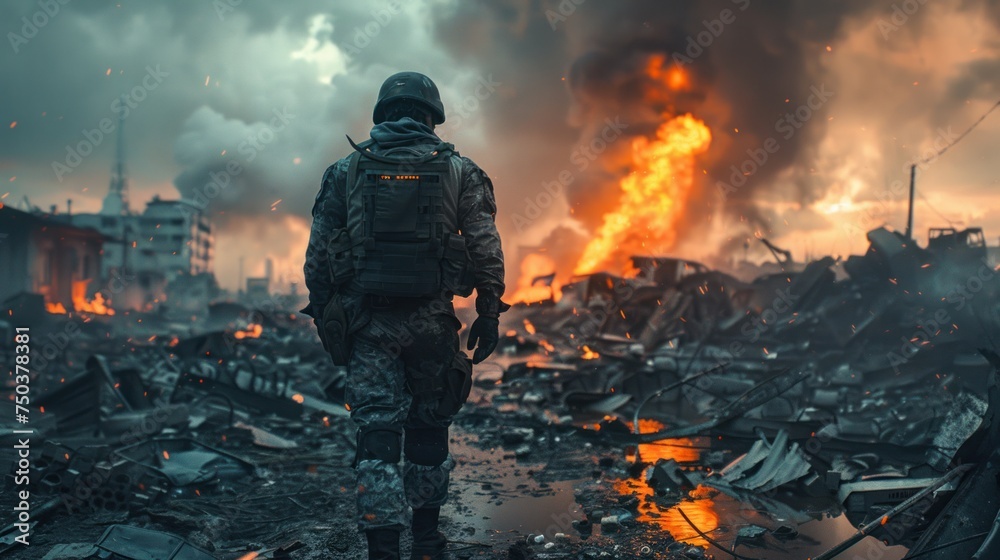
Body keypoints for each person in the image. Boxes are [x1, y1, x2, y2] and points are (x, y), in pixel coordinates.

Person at [303, 71, 507, 560]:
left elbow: (316, 258)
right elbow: (485, 247)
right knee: (428, 427)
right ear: (432, 117)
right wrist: (489, 311)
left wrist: (325, 315)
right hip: (433, 325)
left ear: (382, 115)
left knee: (377, 434)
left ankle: (383, 548)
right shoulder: (461, 170)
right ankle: (429, 541)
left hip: (368, 324)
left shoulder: (344, 171)